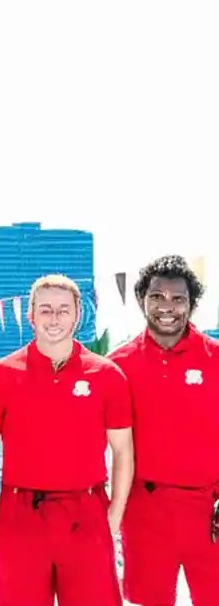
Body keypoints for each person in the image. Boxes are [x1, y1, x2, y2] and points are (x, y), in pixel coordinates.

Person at [0, 274, 133, 606]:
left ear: (78, 314)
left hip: (87, 512)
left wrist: (113, 517)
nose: (55, 318)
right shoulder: (2, 375)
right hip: (21, 515)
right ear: (30, 316)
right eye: (45, 310)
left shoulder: (106, 376)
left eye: (63, 309)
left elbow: (123, 451)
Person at [108, 255, 219, 606]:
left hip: (211, 509)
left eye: (177, 298)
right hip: (145, 510)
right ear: (142, 300)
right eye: (157, 297)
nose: (166, 306)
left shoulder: (216, 359)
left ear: (193, 304)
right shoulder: (118, 365)